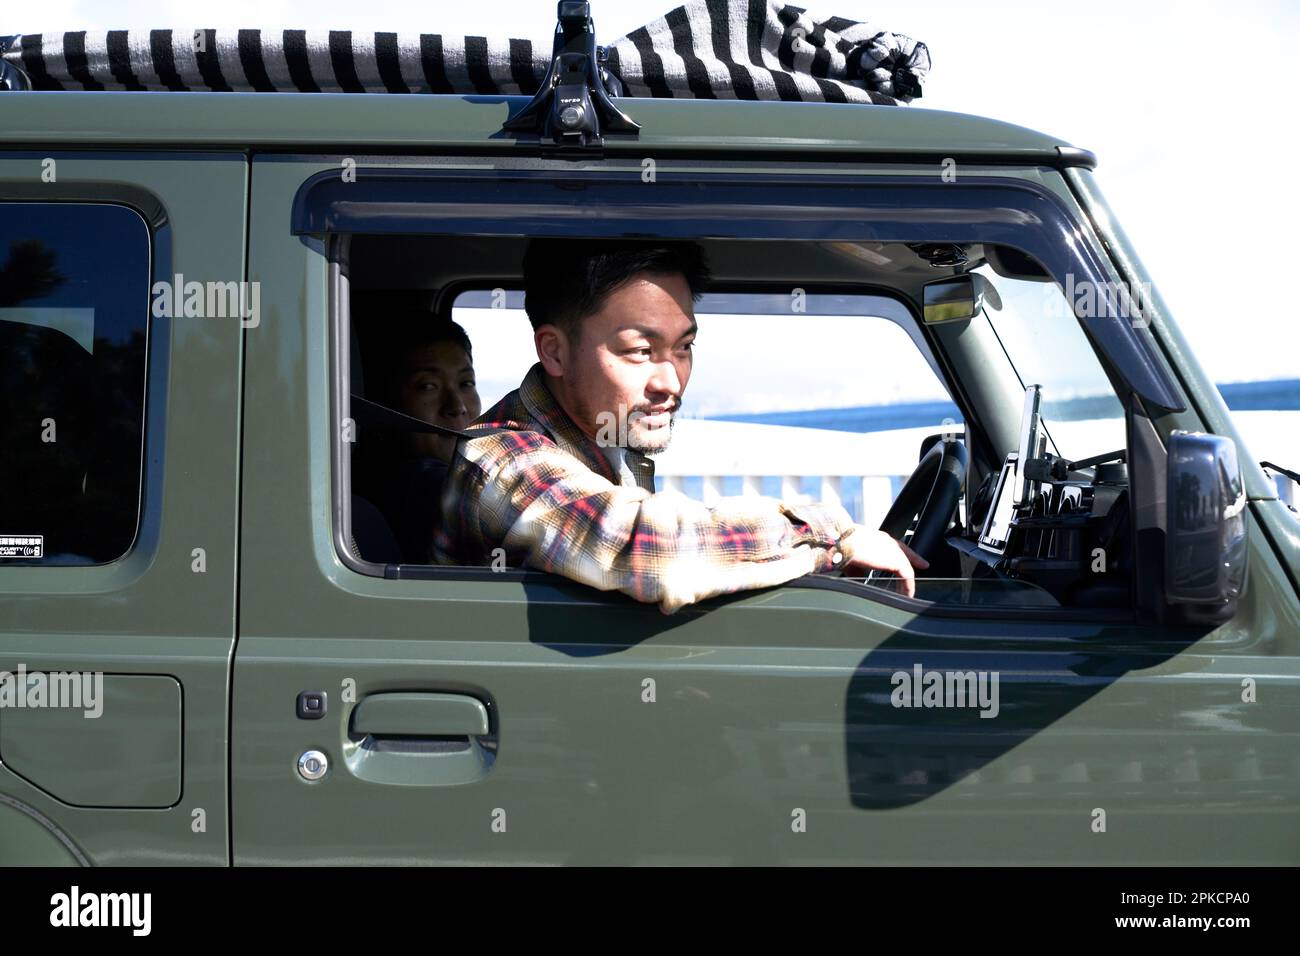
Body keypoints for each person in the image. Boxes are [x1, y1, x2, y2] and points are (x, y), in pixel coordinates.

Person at [432, 238, 926, 613]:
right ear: (555, 352)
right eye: (641, 351)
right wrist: (831, 539)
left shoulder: (602, 444)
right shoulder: (502, 457)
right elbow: (646, 548)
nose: (670, 381)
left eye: (683, 348)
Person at [354, 314, 481, 563]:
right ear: (384, 403)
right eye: (428, 386)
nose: (457, 406)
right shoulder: (432, 488)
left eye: (466, 383)